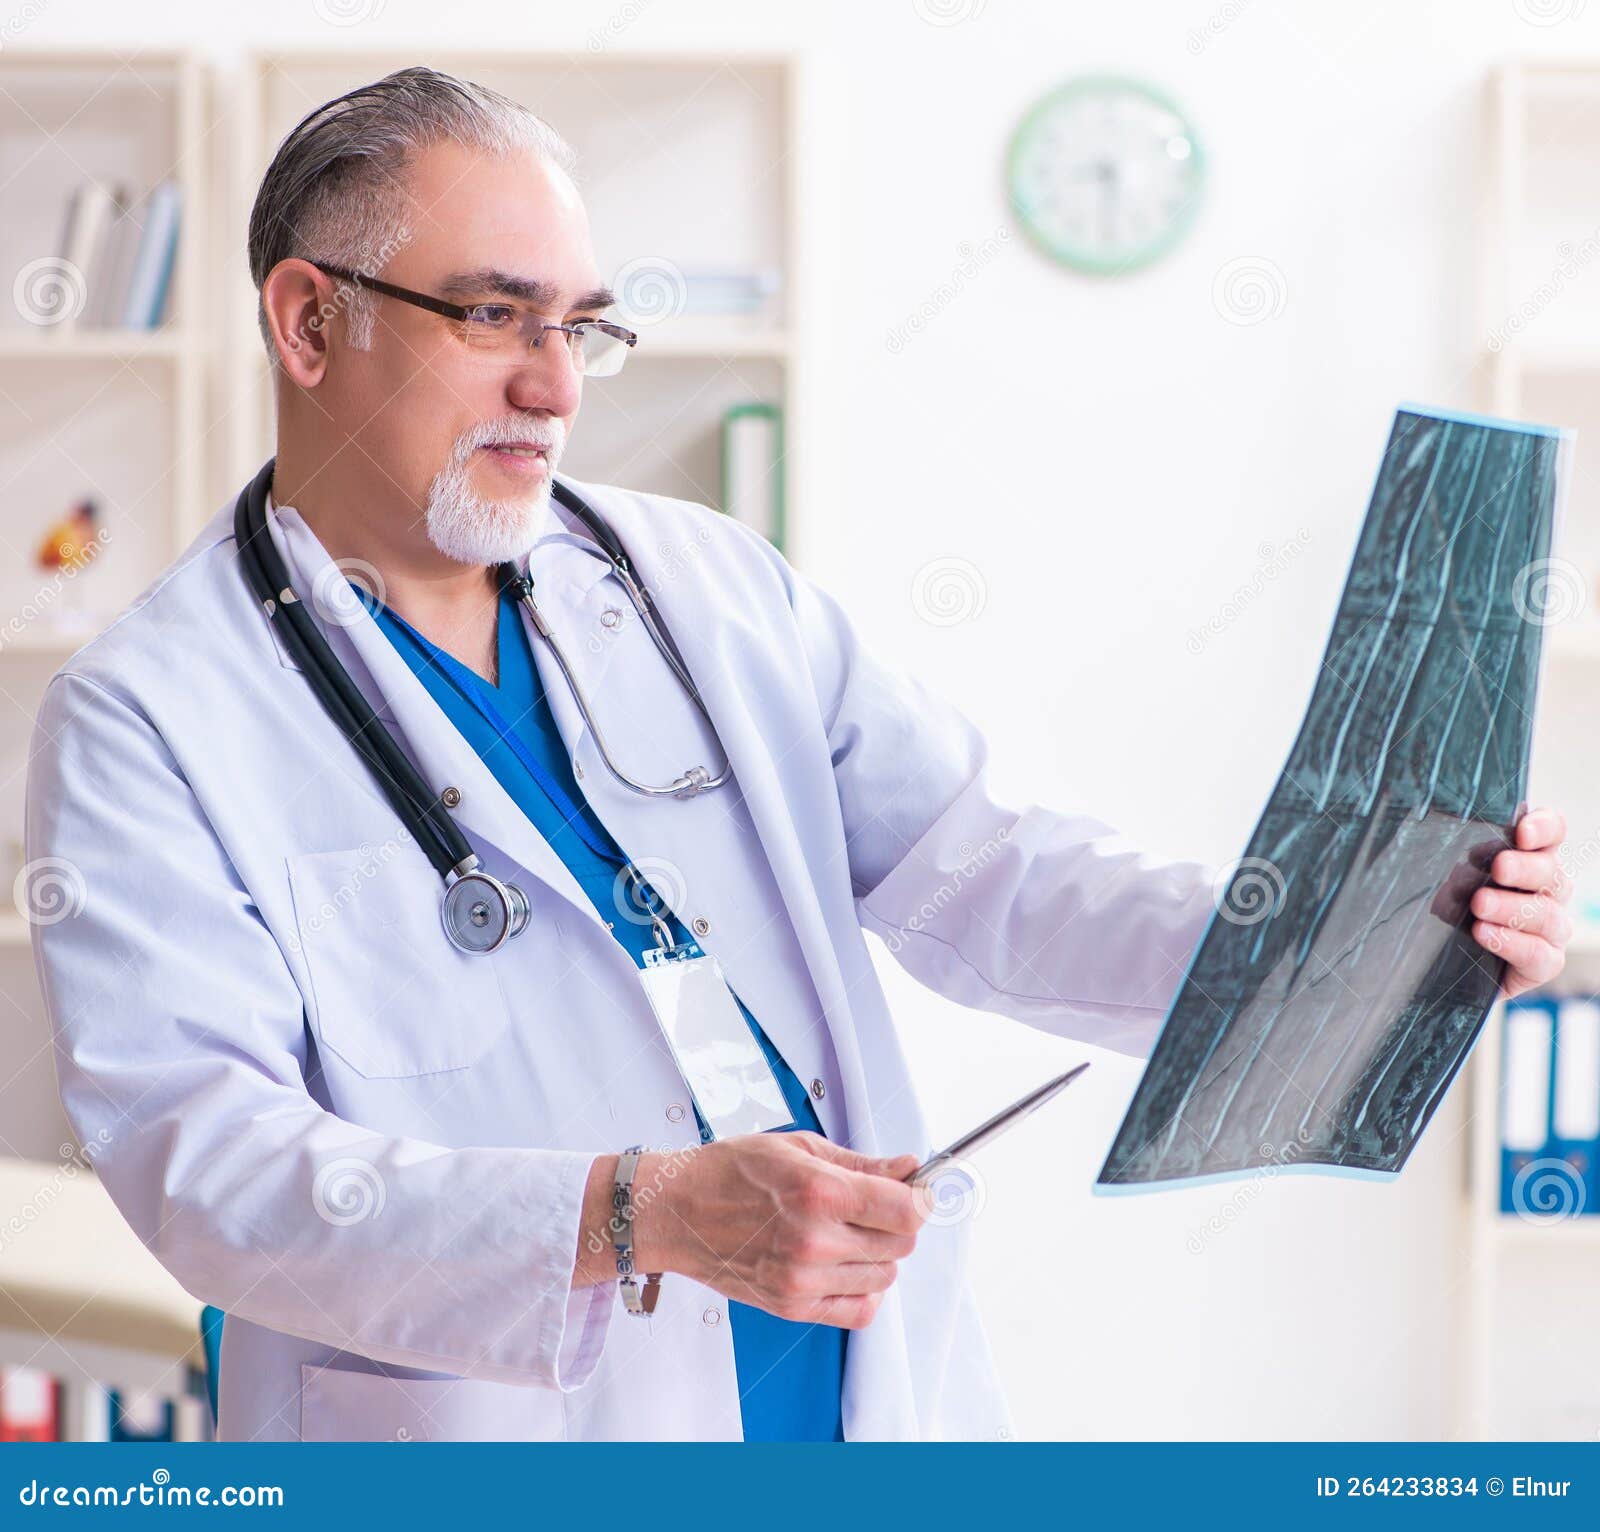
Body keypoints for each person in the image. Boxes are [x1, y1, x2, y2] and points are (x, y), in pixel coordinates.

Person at [24, 67, 1574, 1443]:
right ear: (311, 319)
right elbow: (211, 1167)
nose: (557, 387)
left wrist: (1330, 936)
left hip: (848, 1398)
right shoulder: (150, 719)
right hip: (498, 1431)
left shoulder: (706, 588)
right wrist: (633, 1216)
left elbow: (986, 873)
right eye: (496, 315)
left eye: (582, 326)